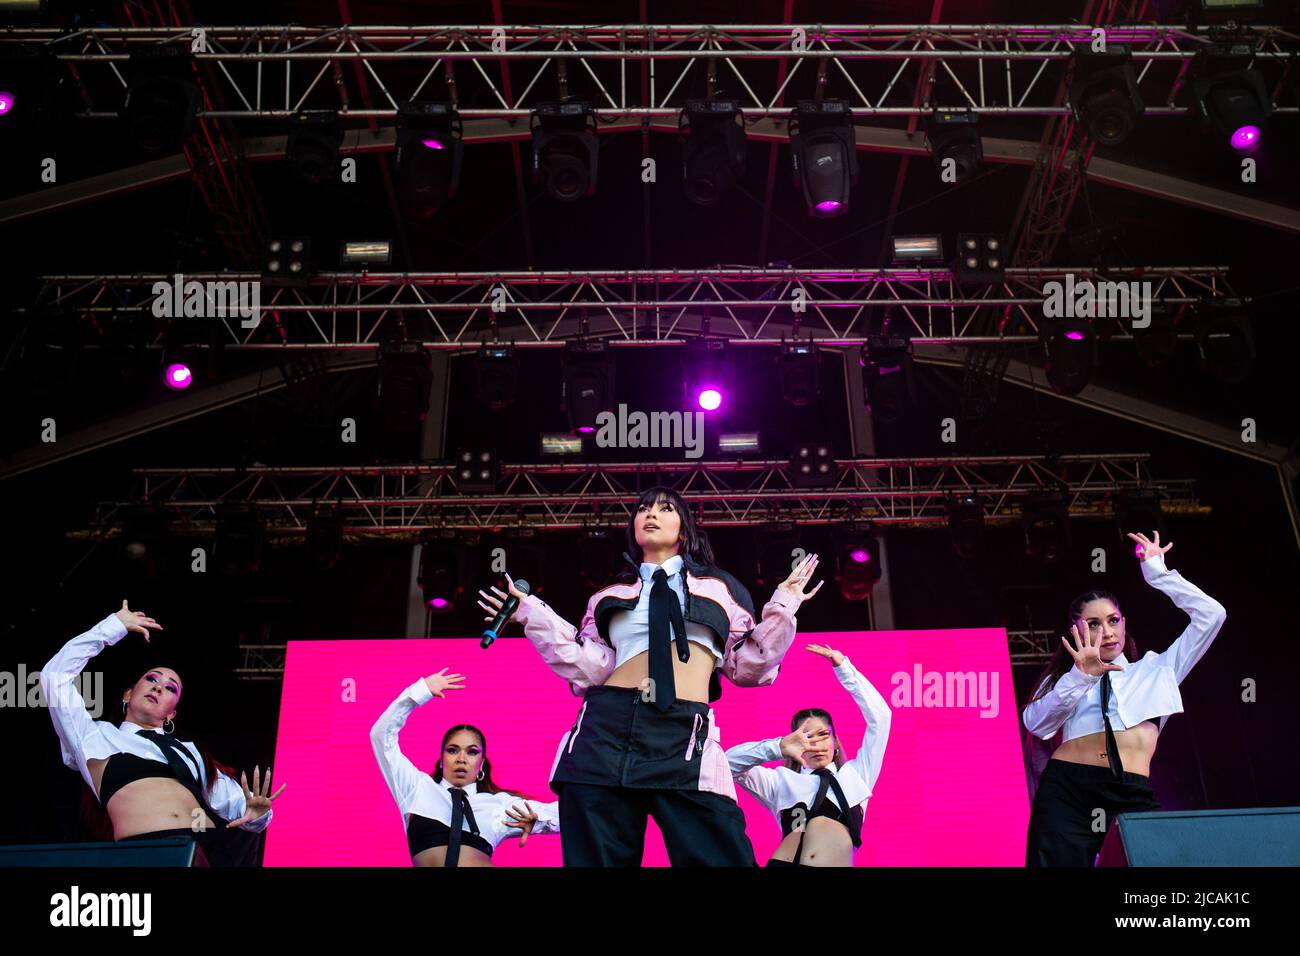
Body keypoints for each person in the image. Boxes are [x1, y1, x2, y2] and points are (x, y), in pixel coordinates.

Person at [478, 485, 823, 866]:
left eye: (665, 509)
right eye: (643, 509)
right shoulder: (609, 593)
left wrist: (784, 604)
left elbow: (749, 665)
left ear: (685, 530)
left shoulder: (721, 588)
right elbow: (590, 666)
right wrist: (532, 613)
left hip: (683, 732)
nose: (651, 514)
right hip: (605, 730)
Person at [1023, 531, 1227, 866]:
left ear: (1124, 622)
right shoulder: (1065, 679)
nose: (1107, 630)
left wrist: (1157, 573)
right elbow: (1036, 723)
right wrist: (1080, 677)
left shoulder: (1158, 669)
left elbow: (1212, 615)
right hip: (1068, 789)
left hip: (1130, 789)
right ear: (1077, 631)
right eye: (1093, 623)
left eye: (1113, 620)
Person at [41, 601, 283, 866]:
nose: (158, 688)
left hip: (197, 854)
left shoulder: (190, 753)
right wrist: (111, 629)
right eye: (152, 679)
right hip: (142, 854)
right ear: (128, 694)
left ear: (171, 715)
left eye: (171, 688)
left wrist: (258, 814)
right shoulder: (93, 736)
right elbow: (55, 677)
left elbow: (245, 811)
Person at [370, 667, 559, 866]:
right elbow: (381, 737)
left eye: (472, 752)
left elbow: (570, 812)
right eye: (452, 750)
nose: (461, 758)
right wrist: (421, 691)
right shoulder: (416, 788)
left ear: (481, 764)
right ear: (441, 760)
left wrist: (541, 820)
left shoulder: (498, 804)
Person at [726, 643, 891, 866]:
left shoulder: (857, 774)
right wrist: (779, 746)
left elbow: (881, 719)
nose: (816, 745)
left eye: (823, 735)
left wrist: (843, 668)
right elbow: (727, 764)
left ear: (835, 741)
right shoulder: (780, 781)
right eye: (806, 737)